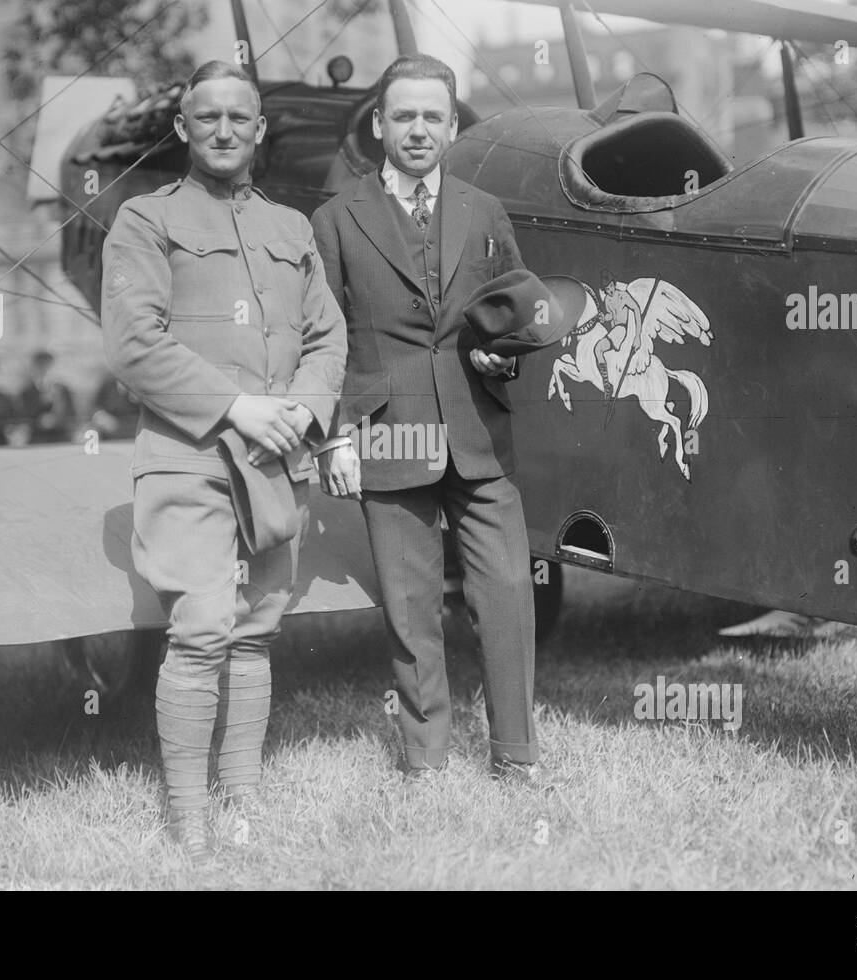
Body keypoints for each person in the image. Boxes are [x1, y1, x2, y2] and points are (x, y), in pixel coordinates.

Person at [101, 60, 346, 861]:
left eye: (239, 118)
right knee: (203, 628)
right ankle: (188, 819)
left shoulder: (292, 229)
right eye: (206, 118)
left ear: (260, 129)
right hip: (188, 457)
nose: (224, 131)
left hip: (275, 461)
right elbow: (135, 345)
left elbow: (326, 337)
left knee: (256, 631)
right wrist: (237, 408)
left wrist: (305, 414)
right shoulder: (144, 220)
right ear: (182, 128)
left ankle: (241, 802)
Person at [311, 54, 545, 784]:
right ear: (379, 125)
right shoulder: (334, 220)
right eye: (403, 116)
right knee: (412, 608)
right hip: (389, 431)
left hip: (479, 433)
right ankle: (429, 761)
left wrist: (504, 362)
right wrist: (338, 434)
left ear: (451, 126)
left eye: (433, 117)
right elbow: (326, 338)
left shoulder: (485, 211)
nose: (418, 130)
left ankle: (515, 753)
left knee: (507, 591)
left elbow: (516, 317)